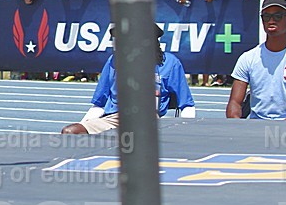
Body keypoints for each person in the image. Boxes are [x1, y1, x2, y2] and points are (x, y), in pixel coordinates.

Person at [61, 24, 196, 135]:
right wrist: (83, 123)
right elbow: (100, 104)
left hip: (149, 122)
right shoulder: (114, 60)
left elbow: (187, 105)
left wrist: (185, 133)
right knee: (70, 132)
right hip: (114, 119)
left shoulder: (170, 63)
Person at [227, 0, 286, 120]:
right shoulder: (247, 58)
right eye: (266, 16)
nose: (271, 21)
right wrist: (236, 123)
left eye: (277, 16)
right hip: (256, 126)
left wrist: (281, 127)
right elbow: (234, 103)